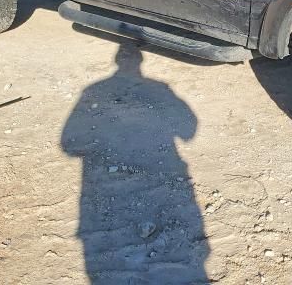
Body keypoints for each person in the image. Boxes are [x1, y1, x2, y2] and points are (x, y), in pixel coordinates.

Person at [61, 44, 209, 284]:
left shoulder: (93, 90)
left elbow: (67, 144)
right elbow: (189, 131)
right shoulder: (161, 88)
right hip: (163, 177)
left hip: (102, 195)